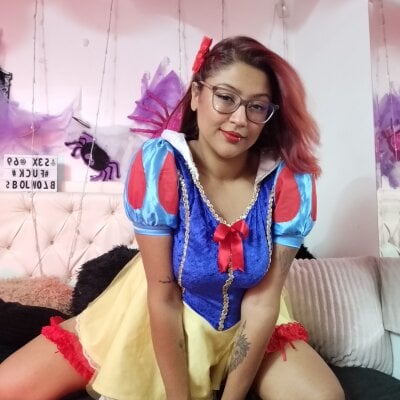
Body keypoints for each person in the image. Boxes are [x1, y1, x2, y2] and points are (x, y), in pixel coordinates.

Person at [0, 36, 345, 400]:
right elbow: (163, 296)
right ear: (196, 95)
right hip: (159, 311)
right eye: (225, 97)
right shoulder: (161, 166)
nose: (239, 119)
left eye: (256, 107)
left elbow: (262, 303)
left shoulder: (287, 180)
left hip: (249, 326)